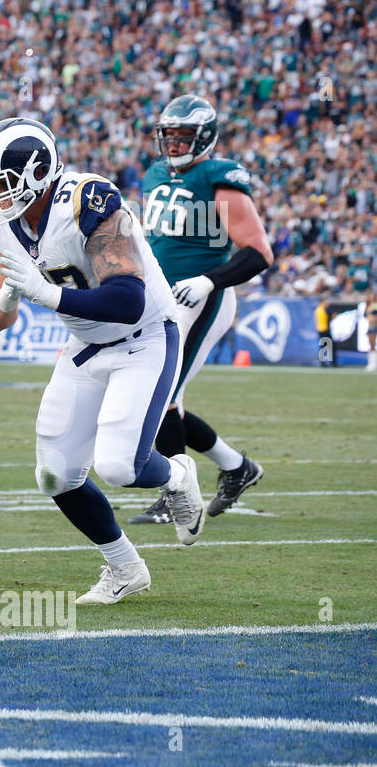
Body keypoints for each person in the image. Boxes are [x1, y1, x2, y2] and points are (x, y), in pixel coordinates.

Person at [0, 117, 206, 606]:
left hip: (143, 338)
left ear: (34, 175)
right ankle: (124, 567)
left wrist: (48, 294)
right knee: (55, 474)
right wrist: (12, 298)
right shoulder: (3, 219)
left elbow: (127, 300)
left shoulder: (89, 201)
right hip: (84, 346)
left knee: (119, 466)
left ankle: (178, 476)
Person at [129, 96, 273, 526]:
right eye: (168, 137)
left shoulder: (218, 176)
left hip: (202, 298)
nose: (174, 145)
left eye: (183, 137)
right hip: (160, 298)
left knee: (164, 397)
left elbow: (259, 252)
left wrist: (210, 279)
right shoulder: (155, 174)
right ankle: (236, 468)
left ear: (204, 138)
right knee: (162, 398)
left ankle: (176, 493)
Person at [315, 292, 333, 367]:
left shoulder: (317, 309)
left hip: (320, 329)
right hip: (325, 329)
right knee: (328, 347)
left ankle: (323, 363)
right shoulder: (324, 309)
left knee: (323, 347)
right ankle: (329, 363)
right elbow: (332, 316)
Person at [365, 289, 377, 372]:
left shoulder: (375, 305)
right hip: (370, 326)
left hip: (375, 326)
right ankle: (372, 363)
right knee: (371, 345)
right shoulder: (368, 306)